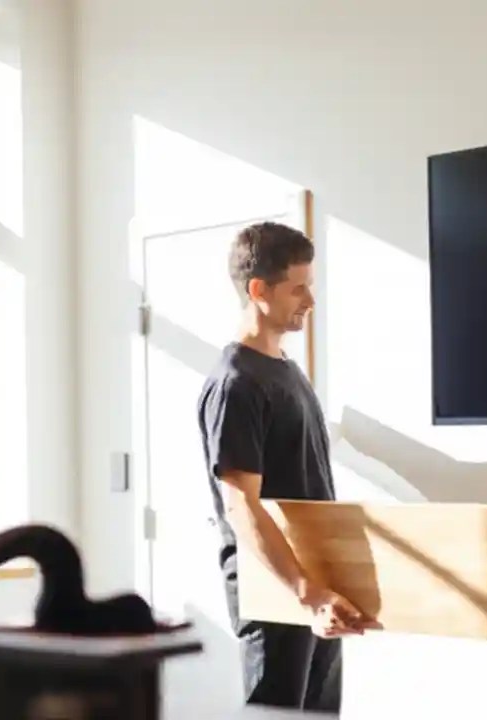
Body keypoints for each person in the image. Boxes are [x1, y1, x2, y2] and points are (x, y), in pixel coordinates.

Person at [196, 221, 376, 712]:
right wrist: (305, 592)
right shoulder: (236, 384)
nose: (309, 301)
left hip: (319, 589)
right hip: (277, 594)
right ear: (259, 290)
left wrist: (325, 590)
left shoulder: (286, 370)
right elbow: (242, 508)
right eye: (298, 288)